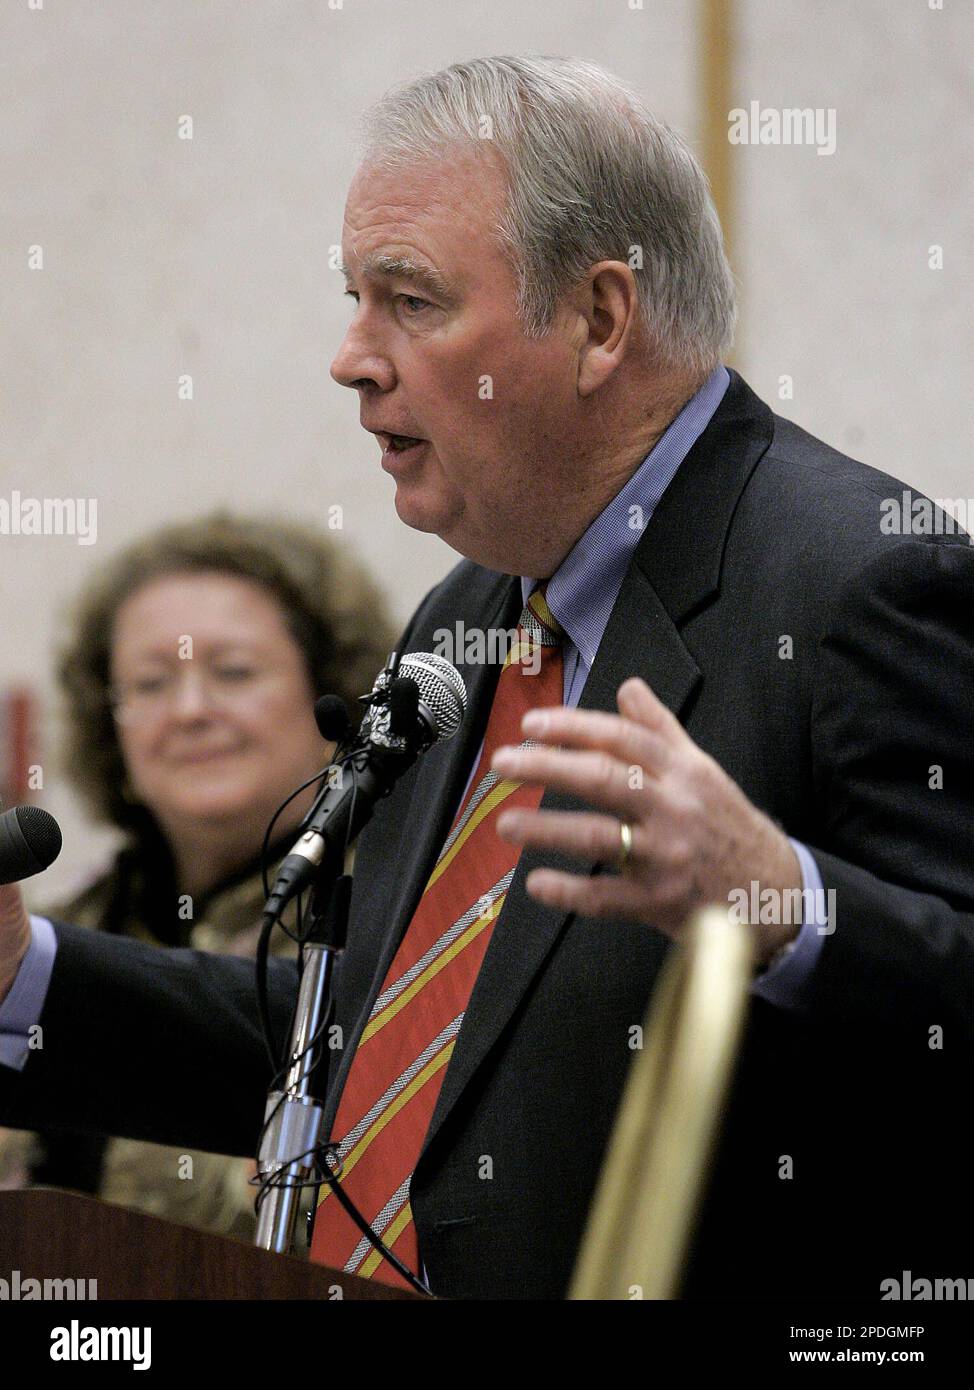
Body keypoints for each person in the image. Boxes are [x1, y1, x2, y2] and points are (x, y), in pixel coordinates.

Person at [1, 56, 973, 1299]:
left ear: (599, 321)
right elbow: (394, 1050)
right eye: (353, 299)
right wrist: (29, 980)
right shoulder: (469, 610)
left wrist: (784, 903)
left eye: (407, 301)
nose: (350, 358)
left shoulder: (862, 579)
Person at [0, 512, 394, 1242]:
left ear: (333, 700)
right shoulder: (41, 933)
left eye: (234, 672)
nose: (189, 711)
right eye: (150, 684)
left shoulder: (394, 920)